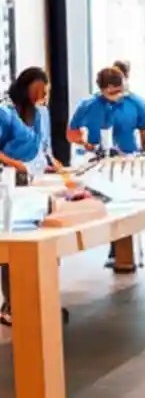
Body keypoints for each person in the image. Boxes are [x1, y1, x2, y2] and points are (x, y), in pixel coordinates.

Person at [0, 75, 51, 326]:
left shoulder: (41, 113)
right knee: (12, 241)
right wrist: (16, 164)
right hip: (7, 181)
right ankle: (10, 303)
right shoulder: (5, 112)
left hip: (34, 181)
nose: (43, 93)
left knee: (42, 236)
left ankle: (39, 297)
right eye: (39, 87)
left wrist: (53, 166)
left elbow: (43, 146)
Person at [67, 66, 145, 157]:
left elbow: (144, 134)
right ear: (102, 90)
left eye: (119, 90)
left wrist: (143, 153)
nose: (118, 95)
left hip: (128, 157)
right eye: (111, 93)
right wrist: (85, 143)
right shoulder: (87, 105)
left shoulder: (136, 103)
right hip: (94, 158)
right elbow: (71, 134)